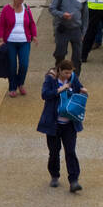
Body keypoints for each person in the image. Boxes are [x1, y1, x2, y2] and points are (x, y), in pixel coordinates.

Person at [37, 60, 87, 192]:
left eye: (70, 73)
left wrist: (83, 91)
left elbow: (79, 89)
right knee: (54, 152)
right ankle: (54, 175)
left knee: (70, 151)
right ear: (59, 71)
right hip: (53, 124)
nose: (68, 75)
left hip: (69, 124)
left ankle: (74, 180)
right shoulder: (50, 80)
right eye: (66, 73)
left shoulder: (73, 79)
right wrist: (60, 89)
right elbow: (45, 94)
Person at [0, 0, 37, 97]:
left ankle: (21, 83)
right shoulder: (6, 9)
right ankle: (12, 87)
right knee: (12, 66)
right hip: (10, 42)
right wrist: (1, 39)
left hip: (24, 41)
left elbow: (32, 23)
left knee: (24, 64)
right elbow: (1, 25)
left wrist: (34, 36)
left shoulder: (26, 8)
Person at [49, 0, 88, 75]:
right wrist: (62, 15)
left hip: (76, 30)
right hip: (62, 29)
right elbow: (52, 9)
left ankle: (75, 78)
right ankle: (59, 74)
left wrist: (83, 33)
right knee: (60, 54)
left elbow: (85, 16)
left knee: (77, 57)